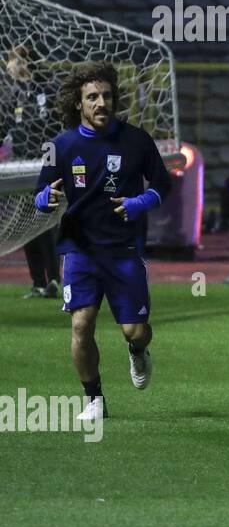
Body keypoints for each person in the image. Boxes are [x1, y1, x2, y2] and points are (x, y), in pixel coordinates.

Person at [33, 62, 172, 421]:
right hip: (79, 249)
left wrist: (140, 202)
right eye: (92, 97)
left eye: (107, 96)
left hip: (124, 250)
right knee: (81, 324)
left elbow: (163, 186)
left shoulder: (136, 140)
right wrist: (44, 197)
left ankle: (138, 351)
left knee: (136, 331)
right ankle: (94, 398)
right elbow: (40, 191)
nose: (101, 103)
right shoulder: (60, 146)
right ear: (78, 103)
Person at [4, 45, 60, 298]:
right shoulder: (16, 95)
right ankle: (38, 282)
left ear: (23, 63)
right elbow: (5, 127)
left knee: (45, 223)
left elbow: (52, 127)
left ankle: (55, 280)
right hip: (22, 168)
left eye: (11, 62)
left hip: (43, 166)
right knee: (26, 225)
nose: (8, 67)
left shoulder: (44, 89)